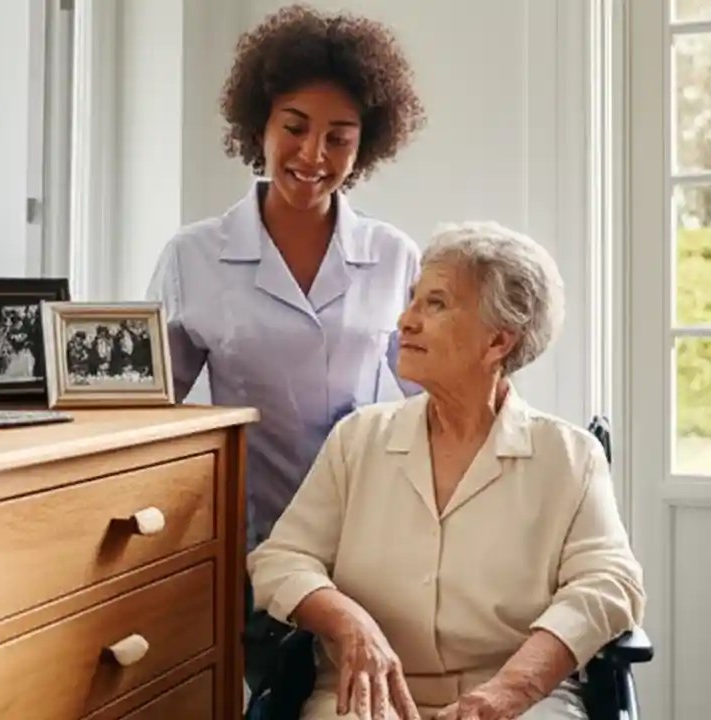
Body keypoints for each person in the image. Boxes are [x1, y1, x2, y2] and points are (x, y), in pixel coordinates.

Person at [248, 222, 646, 719]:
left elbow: (610, 585)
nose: (405, 321)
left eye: (434, 304)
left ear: (498, 341)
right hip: (364, 695)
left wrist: (509, 691)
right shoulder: (358, 439)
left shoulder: (569, 456)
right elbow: (281, 558)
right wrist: (350, 624)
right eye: (412, 300)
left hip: (521, 701)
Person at [144, 2, 427, 690]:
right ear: (260, 125)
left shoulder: (393, 256)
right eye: (295, 129)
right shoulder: (194, 256)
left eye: (340, 138)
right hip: (245, 546)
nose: (313, 156)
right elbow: (153, 409)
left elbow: (434, 396)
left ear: (367, 145)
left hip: (370, 544)